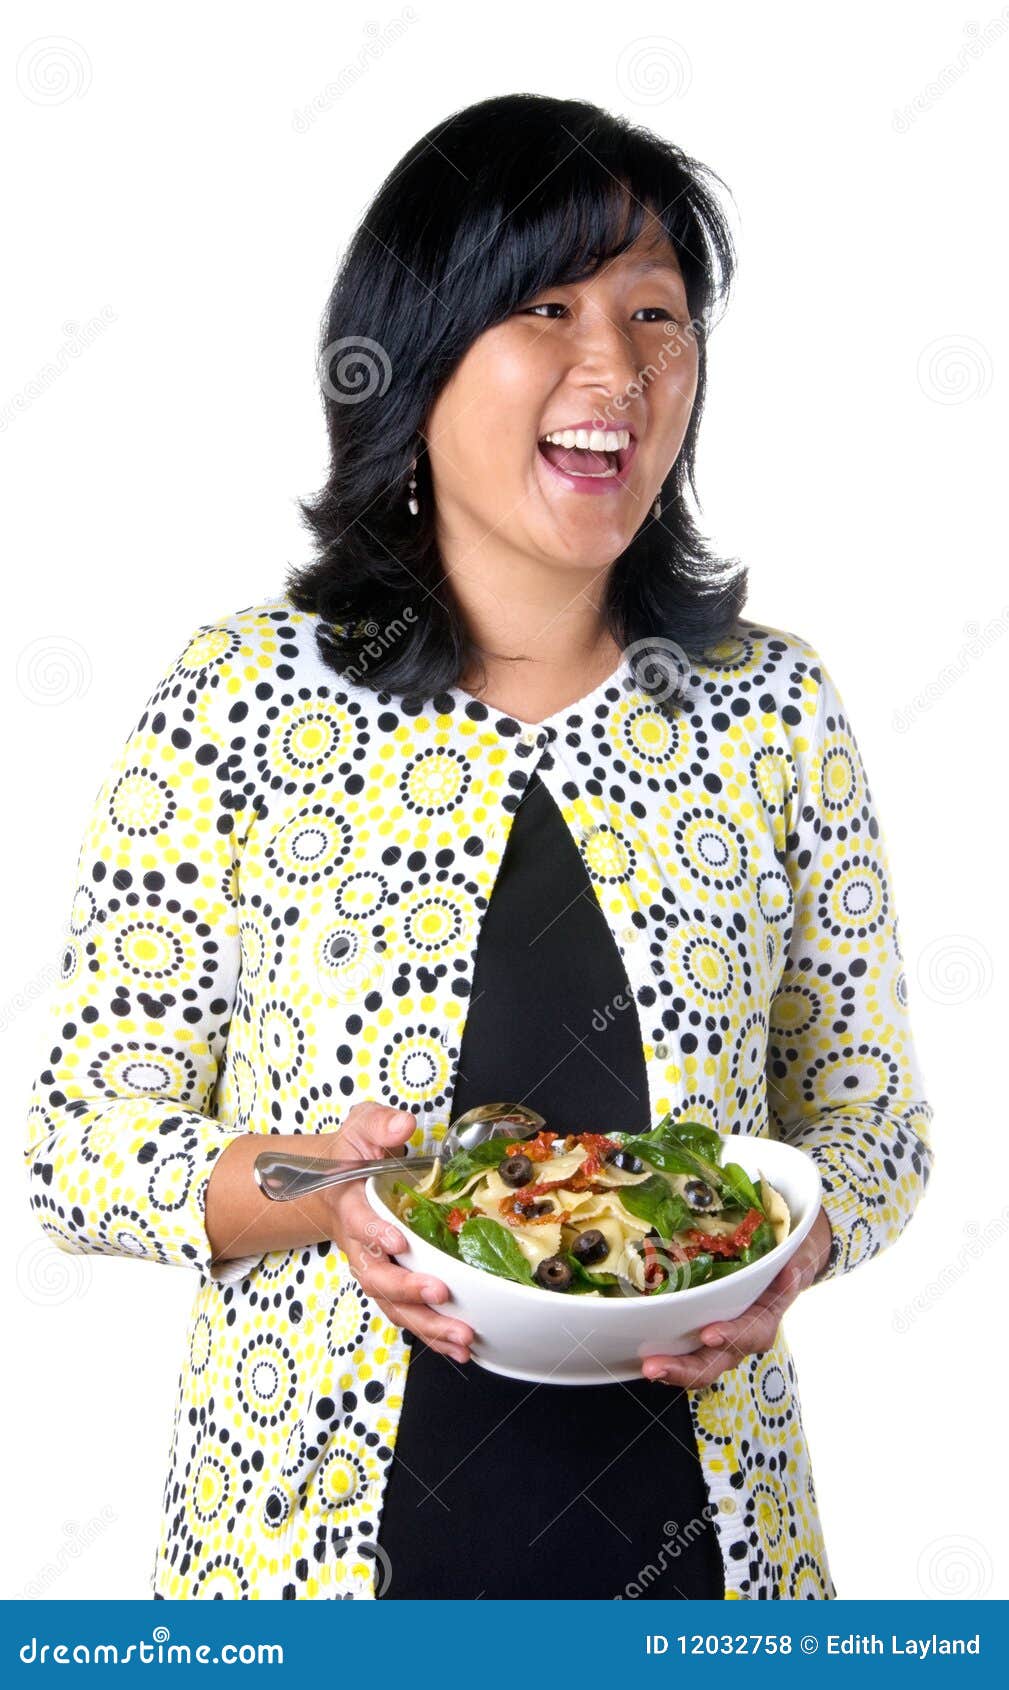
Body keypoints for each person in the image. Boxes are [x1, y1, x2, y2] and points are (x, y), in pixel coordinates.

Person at [25, 92, 934, 1600]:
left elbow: (870, 1119)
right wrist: (322, 1187)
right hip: (305, 1573)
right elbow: (84, 1144)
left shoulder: (767, 705)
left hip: (709, 1570)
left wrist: (798, 1243)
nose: (618, 368)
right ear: (420, 351)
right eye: (546, 305)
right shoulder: (244, 697)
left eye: (658, 313)